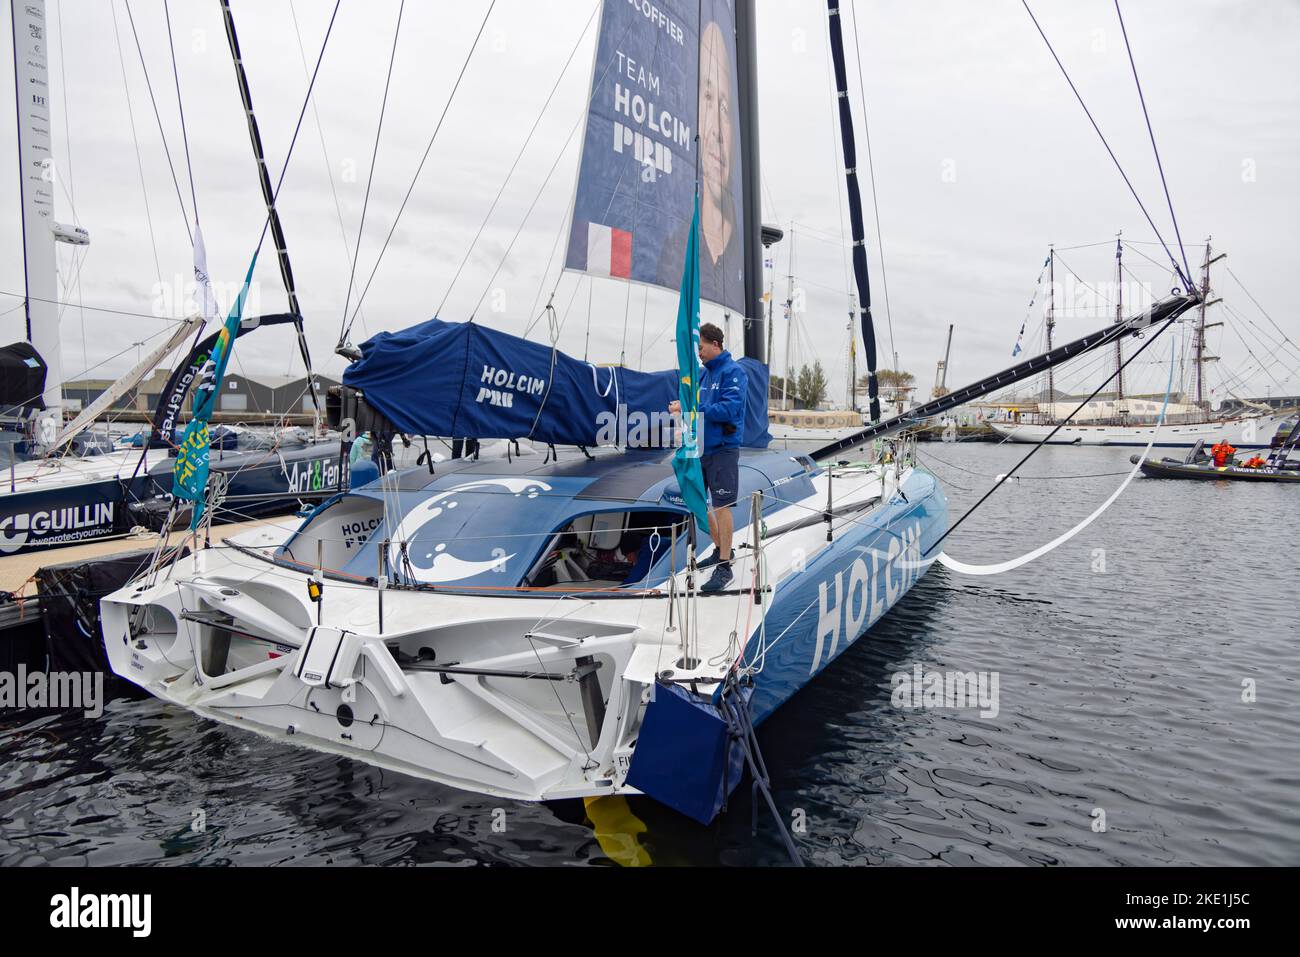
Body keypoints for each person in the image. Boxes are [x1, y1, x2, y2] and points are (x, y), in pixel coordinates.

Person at [668, 322, 748, 593]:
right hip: (701, 448)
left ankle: (724, 567)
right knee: (698, 502)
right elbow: (697, 406)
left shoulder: (733, 372)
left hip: (723, 449)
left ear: (715, 345)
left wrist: (692, 408)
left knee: (721, 506)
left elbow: (730, 408)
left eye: (701, 348)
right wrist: (683, 406)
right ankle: (720, 549)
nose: (699, 353)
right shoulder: (703, 375)